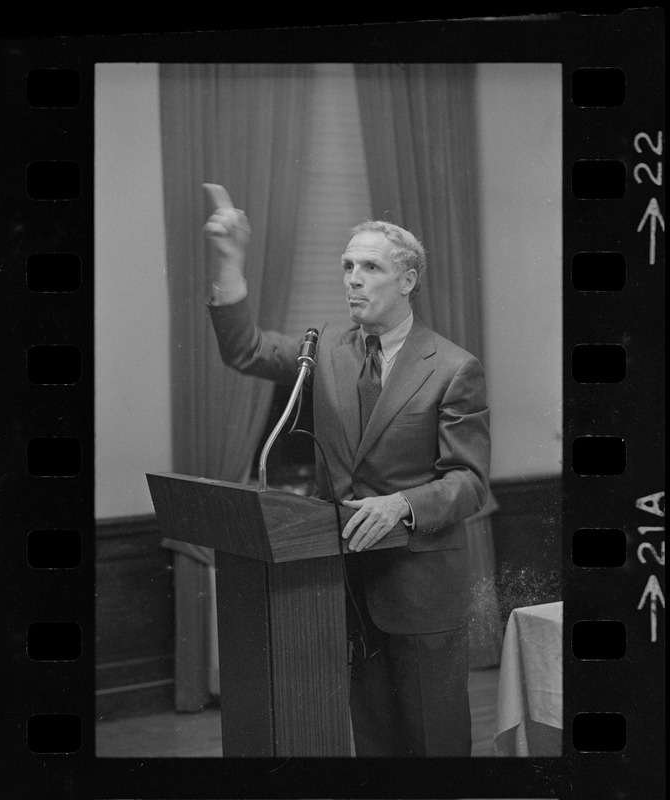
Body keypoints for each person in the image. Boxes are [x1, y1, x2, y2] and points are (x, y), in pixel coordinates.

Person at [203, 183, 491, 757]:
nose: (352, 278)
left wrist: (401, 505)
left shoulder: (453, 367)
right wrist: (231, 262)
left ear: (408, 280)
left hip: (420, 586)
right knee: (376, 740)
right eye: (347, 266)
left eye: (370, 267)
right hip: (345, 587)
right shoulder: (325, 348)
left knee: (435, 741)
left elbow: (470, 482)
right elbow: (246, 350)